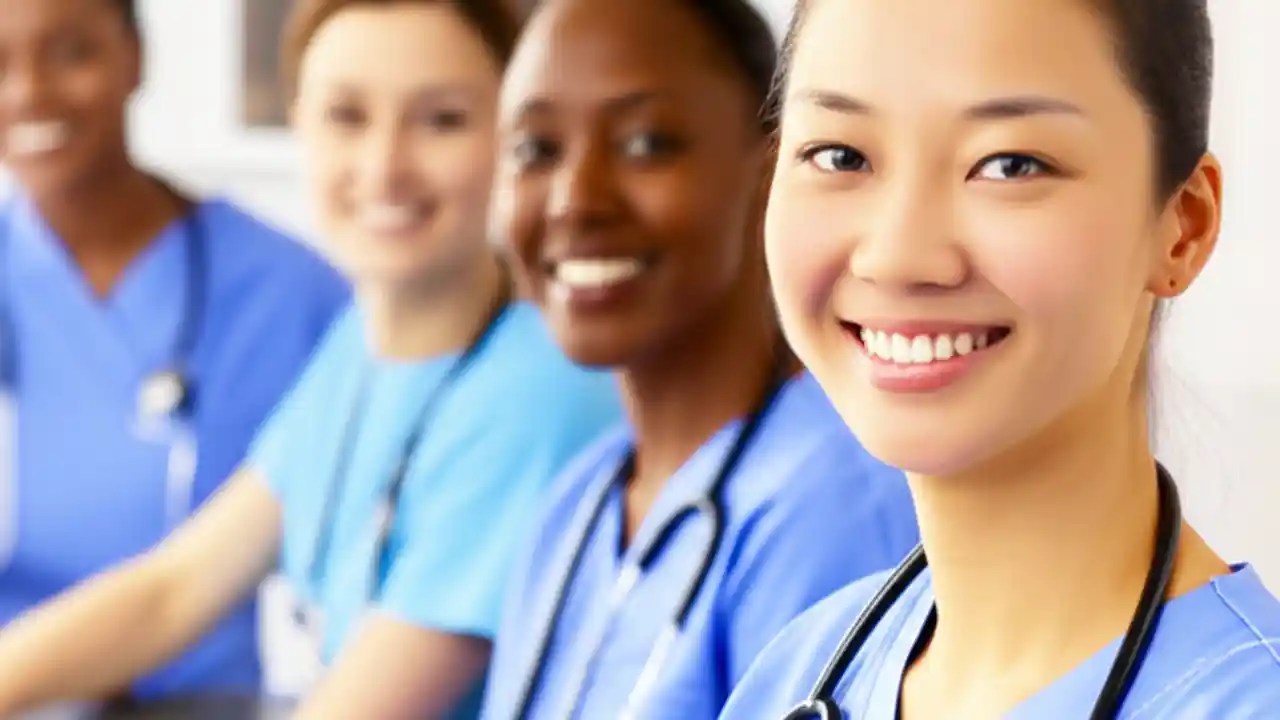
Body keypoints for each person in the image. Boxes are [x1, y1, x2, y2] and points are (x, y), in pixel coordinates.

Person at [0, 1, 621, 718]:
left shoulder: (535, 392)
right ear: (300, 123)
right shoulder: (364, 348)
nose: (384, 167)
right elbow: (174, 590)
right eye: (346, 117)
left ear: (518, 136)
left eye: (441, 120)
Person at [719, 0, 1280, 717]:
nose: (899, 255)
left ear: (1182, 228)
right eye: (840, 156)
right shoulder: (795, 672)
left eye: (1010, 165)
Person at [479, 1, 920, 718]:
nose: (574, 200)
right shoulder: (576, 508)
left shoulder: (830, 504)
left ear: (774, 171)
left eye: (647, 142)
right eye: (535, 150)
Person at [0, 0, 347, 701]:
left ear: (135, 58)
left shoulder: (287, 291)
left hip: (205, 704)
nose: (28, 90)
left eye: (72, 53)